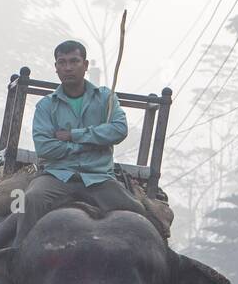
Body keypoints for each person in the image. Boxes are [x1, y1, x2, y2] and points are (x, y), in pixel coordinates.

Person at [16, 39, 146, 244]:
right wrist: (94, 142)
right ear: (56, 68)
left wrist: (74, 135)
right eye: (62, 62)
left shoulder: (106, 98)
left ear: (85, 65)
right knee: (30, 199)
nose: (68, 67)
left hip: (99, 178)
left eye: (74, 61)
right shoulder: (46, 106)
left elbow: (119, 130)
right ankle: (16, 256)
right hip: (57, 176)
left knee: (139, 213)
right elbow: (45, 148)